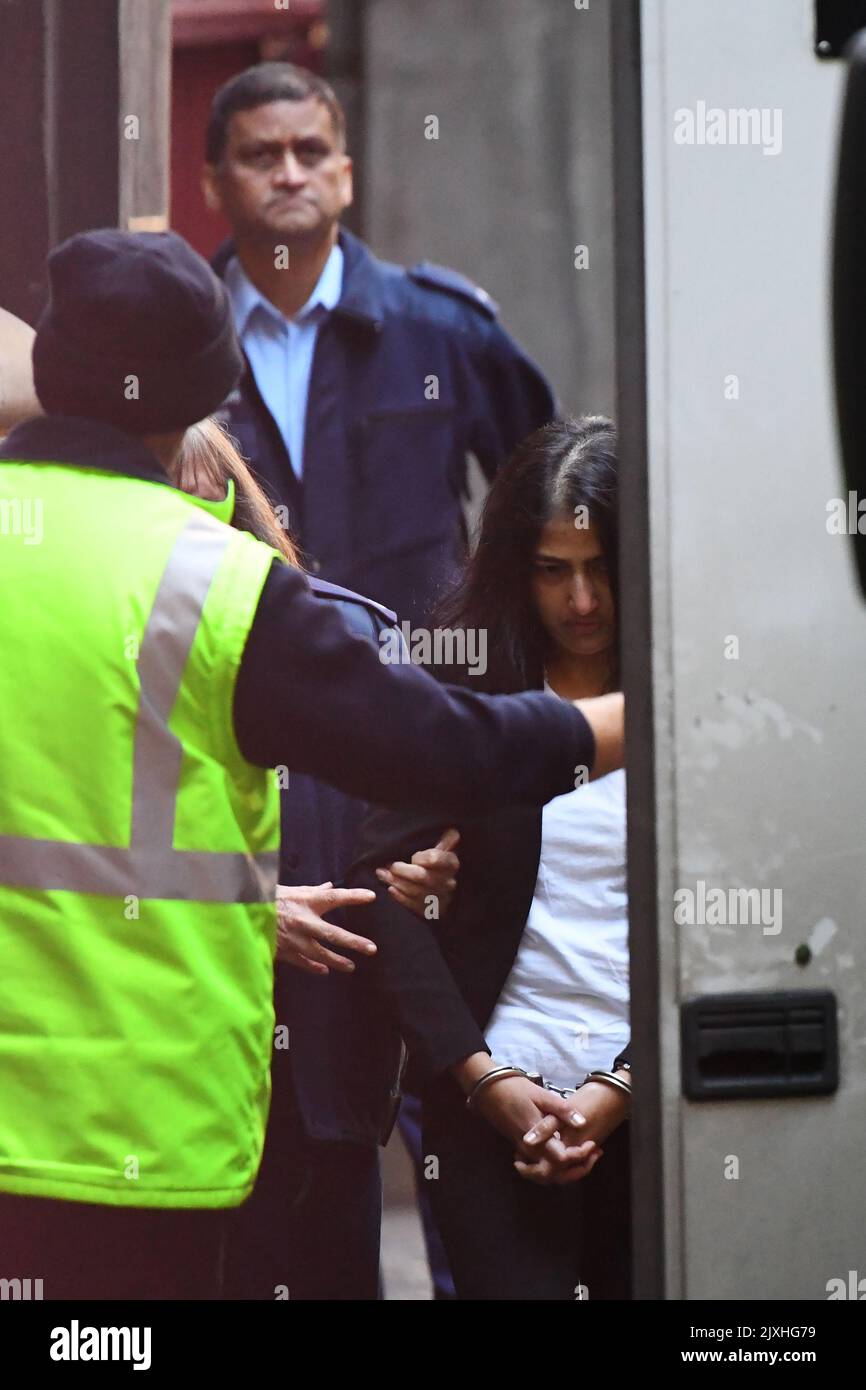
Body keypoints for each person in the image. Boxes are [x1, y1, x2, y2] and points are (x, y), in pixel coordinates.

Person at [0, 228, 622, 1299]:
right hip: (139, 1145)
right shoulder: (212, 582)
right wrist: (637, 717)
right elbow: (449, 747)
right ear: (199, 396)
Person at [175, 417, 458, 1300]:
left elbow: (424, 838)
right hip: (170, 1090)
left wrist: (438, 875)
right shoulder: (98, 649)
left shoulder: (355, 643)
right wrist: (252, 909)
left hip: (324, 1091)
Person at [351, 417, 632, 1300]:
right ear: (518, 568)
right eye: (554, 570)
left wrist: (620, 1090)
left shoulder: (694, 701)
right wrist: (486, 1080)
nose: (581, 600)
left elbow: (726, 929)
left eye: (601, 567)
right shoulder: (468, 699)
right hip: (494, 1107)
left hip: (661, 1104)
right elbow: (384, 898)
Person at [202, 61, 556, 627]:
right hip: (241, 687)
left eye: (311, 153)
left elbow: (551, 496)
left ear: (344, 177)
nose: (291, 175)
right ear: (213, 184)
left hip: (426, 684)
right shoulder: (180, 342)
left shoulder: (442, 328)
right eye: (262, 157)